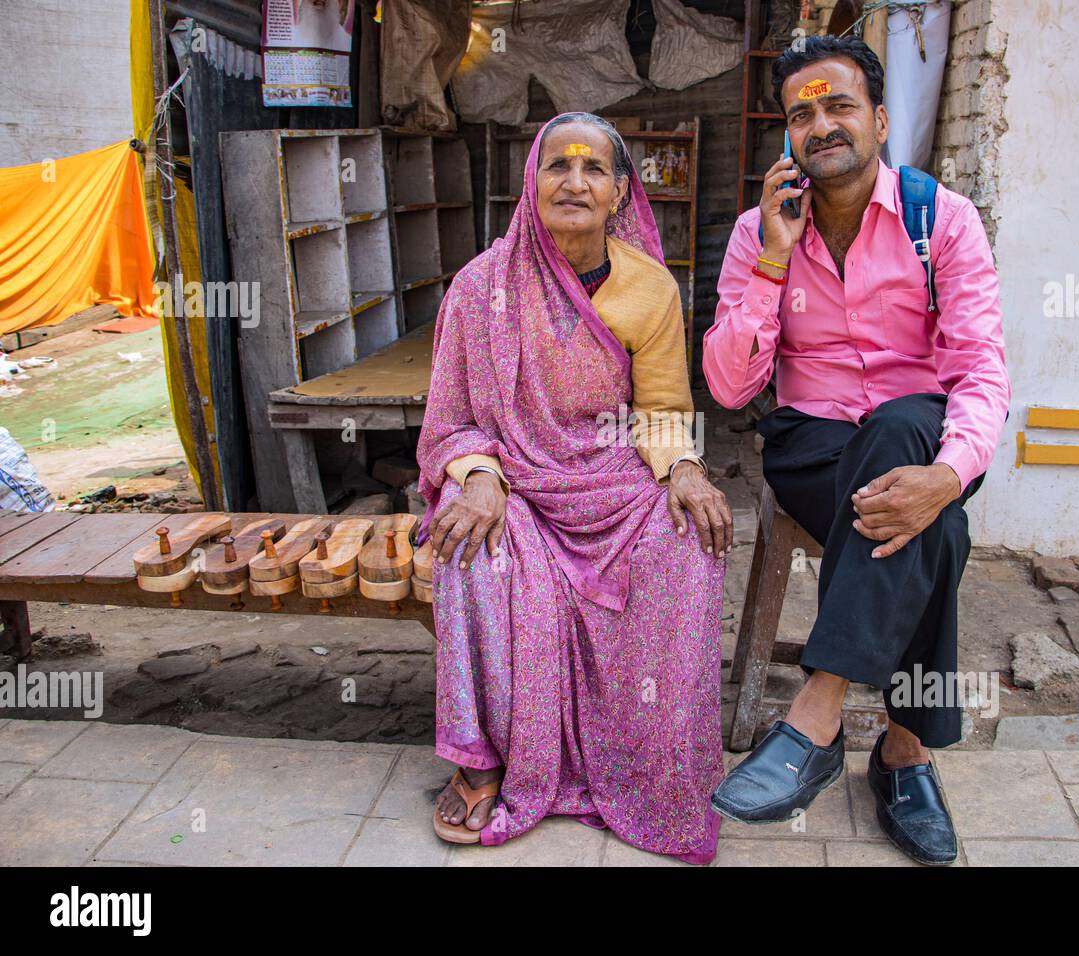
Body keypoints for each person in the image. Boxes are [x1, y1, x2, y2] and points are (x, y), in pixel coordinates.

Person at [703, 36, 1010, 865]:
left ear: (879, 118)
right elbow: (731, 389)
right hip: (810, 445)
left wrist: (947, 476)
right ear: (788, 137)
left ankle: (819, 711)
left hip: (925, 442)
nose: (820, 123)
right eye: (801, 112)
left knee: (914, 453)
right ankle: (905, 752)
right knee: (924, 513)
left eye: (838, 104)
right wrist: (773, 256)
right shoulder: (757, 232)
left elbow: (981, 370)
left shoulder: (940, 220)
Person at [416, 112, 733, 864]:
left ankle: (638, 753)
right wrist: (483, 478)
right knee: (472, 550)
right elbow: (450, 420)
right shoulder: (480, 287)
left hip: (611, 479)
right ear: (534, 180)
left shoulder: (648, 287)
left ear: (621, 192)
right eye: (559, 165)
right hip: (514, 482)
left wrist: (684, 469)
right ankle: (484, 758)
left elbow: (659, 412)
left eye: (595, 169)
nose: (576, 181)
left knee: (689, 544)